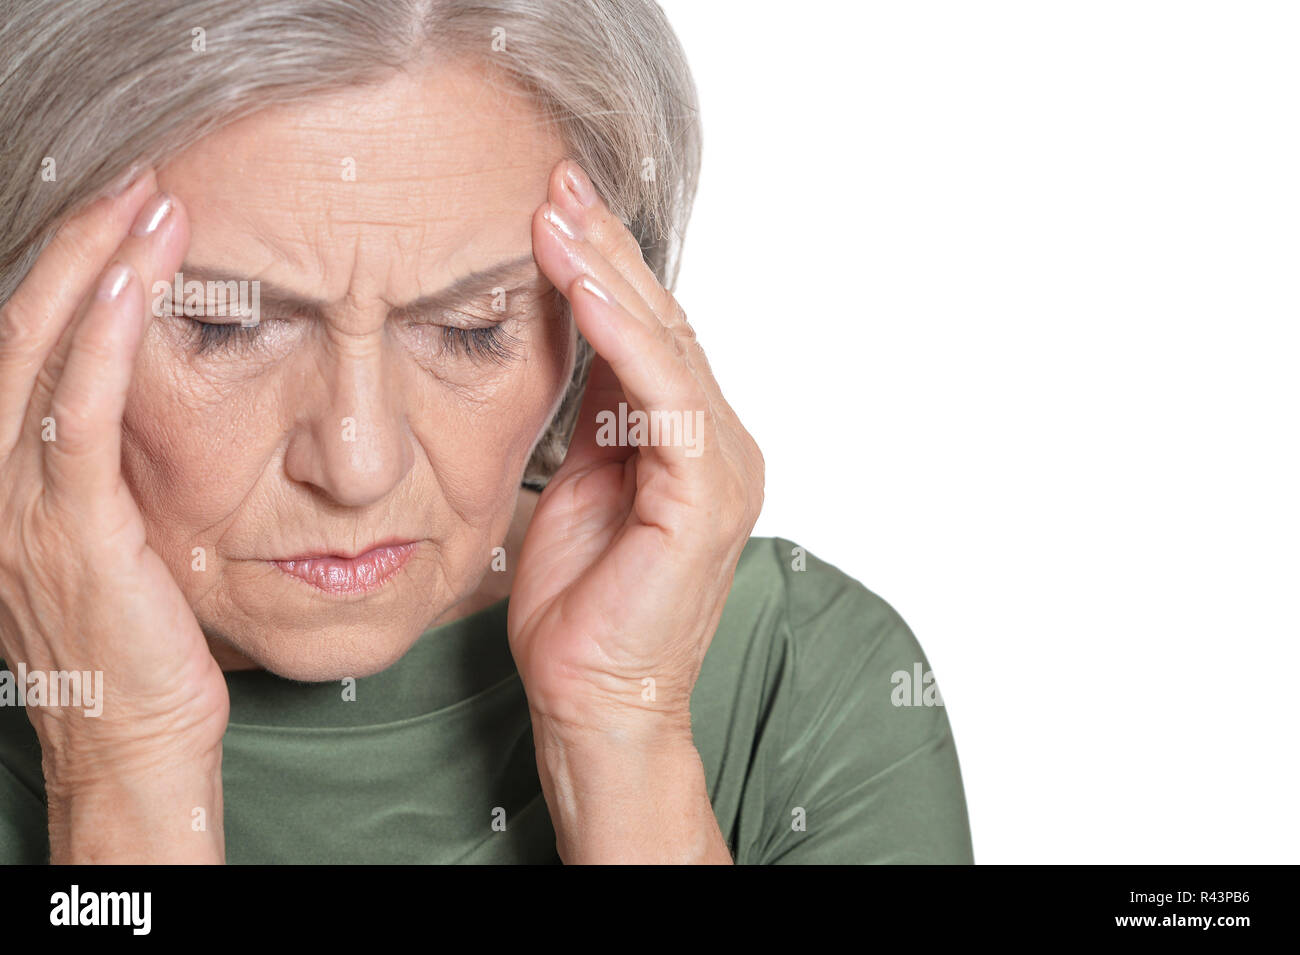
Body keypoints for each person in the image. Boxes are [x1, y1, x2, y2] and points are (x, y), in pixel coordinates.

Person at [0, 0, 973, 863]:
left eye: (472, 330)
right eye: (225, 327)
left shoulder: (793, 674)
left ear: (598, 322)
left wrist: (623, 739)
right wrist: (123, 764)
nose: (358, 462)